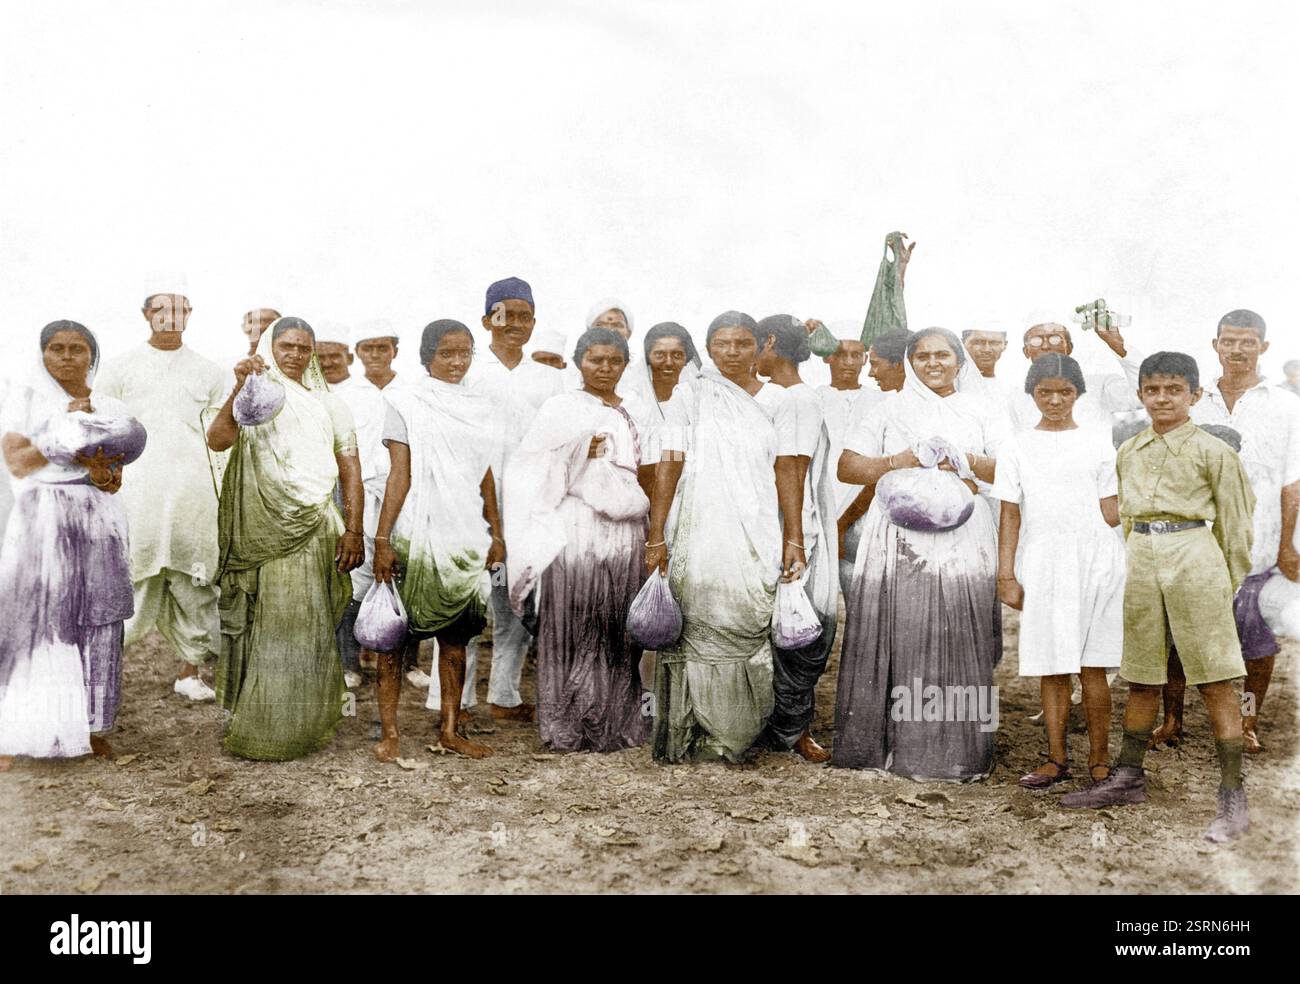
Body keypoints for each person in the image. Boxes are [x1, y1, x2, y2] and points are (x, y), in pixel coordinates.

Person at [1061, 352, 1255, 844]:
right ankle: (1129, 776)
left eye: (1173, 389)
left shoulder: (1215, 451)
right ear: (1141, 394)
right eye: (1152, 389)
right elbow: (1126, 519)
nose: (1162, 398)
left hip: (1196, 555)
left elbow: (1236, 527)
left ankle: (1232, 798)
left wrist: (1222, 581)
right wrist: (1140, 558)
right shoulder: (1130, 450)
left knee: (1213, 678)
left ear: (1194, 394)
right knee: (1142, 674)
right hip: (1144, 558)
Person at [834, 327, 1005, 780]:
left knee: (956, 628)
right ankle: (892, 745)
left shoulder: (983, 408)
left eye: (943, 355)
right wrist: (899, 460)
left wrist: (964, 460)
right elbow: (848, 466)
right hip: (897, 535)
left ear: (959, 361)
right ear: (910, 361)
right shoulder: (889, 408)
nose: (934, 363)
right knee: (902, 626)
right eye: (923, 356)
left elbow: (1009, 468)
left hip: (962, 534)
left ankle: (954, 751)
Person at [645, 311, 807, 763]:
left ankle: (733, 736)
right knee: (697, 622)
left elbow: (788, 472)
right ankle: (688, 736)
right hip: (698, 533)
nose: (732, 352)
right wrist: (656, 535)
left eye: (742, 343)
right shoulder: (691, 395)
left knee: (745, 620)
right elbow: (669, 464)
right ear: (709, 348)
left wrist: (793, 537)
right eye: (722, 343)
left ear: (760, 345)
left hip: (755, 531)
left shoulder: (780, 400)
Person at [206, 317, 365, 760]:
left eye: (302, 348)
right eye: (287, 346)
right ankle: (264, 727)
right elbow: (218, 440)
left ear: (311, 353)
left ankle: (300, 723)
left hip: (314, 525)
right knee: (269, 621)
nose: (294, 354)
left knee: (305, 622)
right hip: (262, 527)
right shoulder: (259, 396)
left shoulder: (329, 405)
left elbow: (350, 469)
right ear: (271, 347)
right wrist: (240, 389)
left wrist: (354, 529)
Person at [505, 327, 655, 752]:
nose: (605, 368)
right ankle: (568, 724)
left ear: (626, 364)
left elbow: (650, 470)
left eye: (614, 361)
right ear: (578, 362)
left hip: (625, 529)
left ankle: (616, 723)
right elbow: (527, 468)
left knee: (614, 623)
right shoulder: (560, 407)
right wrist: (576, 450)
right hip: (576, 526)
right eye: (595, 360)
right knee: (574, 620)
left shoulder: (638, 409)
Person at [0, 322, 137, 770]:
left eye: (77, 349)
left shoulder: (109, 405)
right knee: (35, 620)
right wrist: (64, 429)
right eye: (55, 349)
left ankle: (95, 728)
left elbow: (112, 478)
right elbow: (18, 462)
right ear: (42, 354)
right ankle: (19, 729)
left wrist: (100, 467)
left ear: (91, 356)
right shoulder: (24, 399)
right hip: (41, 516)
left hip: (95, 516)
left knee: (100, 619)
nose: (65, 357)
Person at [372, 320, 504, 760]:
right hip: (414, 532)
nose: (457, 362)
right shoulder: (405, 402)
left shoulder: (480, 407)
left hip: (463, 536)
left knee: (456, 639)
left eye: (465, 352)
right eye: (447, 353)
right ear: (427, 356)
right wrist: (383, 538)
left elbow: (484, 474)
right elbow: (399, 475)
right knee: (395, 638)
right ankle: (389, 732)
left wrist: (496, 533)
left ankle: (450, 729)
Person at [994, 354, 1124, 788]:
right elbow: (1010, 513)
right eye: (1045, 392)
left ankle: (1101, 760)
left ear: (1079, 394)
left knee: (1094, 665)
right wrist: (1006, 574)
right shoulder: (1015, 445)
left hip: (1097, 560)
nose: (1054, 400)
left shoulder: (1098, 440)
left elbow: (1111, 509)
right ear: (1031, 394)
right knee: (1053, 665)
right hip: (1044, 561)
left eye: (1064, 392)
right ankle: (1055, 757)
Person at [1176, 309, 1300, 754]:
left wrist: (1287, 545)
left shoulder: (1286, 406)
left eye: (1248, 342)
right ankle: (1172, 721)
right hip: (1196, 540)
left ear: (1263, 347)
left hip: (1257, 544)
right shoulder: (1195, 400)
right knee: (1181, 633)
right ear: (1215, 346)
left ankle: (1247, 719)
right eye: (1229, 341)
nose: (1237, 350)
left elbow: (1292, 482)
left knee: (1254, 636)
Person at [96, 290, 227, 702]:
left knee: (196, 582)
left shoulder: (210, 371)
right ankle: (103, 671)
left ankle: (191, 671)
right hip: (137, 491)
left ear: (189, 314)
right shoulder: (118, 369)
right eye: (160, 310)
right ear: (146, 314)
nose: (170, 318)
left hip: (194, 491)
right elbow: (103, 430)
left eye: (178, 310)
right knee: (131, 576)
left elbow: (222, 438)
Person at [463, 276, 564, 722]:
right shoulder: (465, 370)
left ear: (534, 322)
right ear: (487, 320)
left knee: (516, 599)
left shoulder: (549, 380)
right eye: (505, 314)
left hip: (526, 505)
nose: (515, 324)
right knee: (464, 603)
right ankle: (455, 702)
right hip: (469, 503)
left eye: (524, 316)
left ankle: (504, 695)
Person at [755, 315, 839, 762]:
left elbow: (793, 468)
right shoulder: (773, 396)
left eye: (756, 343)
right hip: (771, 523)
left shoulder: (797, 399)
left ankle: (794, 730)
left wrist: (794, 537)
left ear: (770, 342)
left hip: (793, 524)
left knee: (799, 628)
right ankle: (774, 726)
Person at [315, 325, 404, 692]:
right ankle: (348, 662)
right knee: (349, 577)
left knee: (396, 572)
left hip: (389, 492)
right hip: (342, 494)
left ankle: (401, 660)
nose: (376, 354)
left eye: (383, 347)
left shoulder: (389, 393)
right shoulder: (329, 394)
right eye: (368, 348)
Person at [835, 327, 910, 593]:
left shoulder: (903, 409)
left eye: (875, 364)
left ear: (900, 365)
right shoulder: (891, 406)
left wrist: (843, 524)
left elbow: (881, 479)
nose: (870, 372)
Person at [1010, 317, 1145, 432]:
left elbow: (1143, 395)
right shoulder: (1014, 398)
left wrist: (1119, 345)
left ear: (1069, 347)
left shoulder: (1099, 385)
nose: (1045, 346)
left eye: (1055, 339)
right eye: (1036, 341)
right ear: (1026, 351)